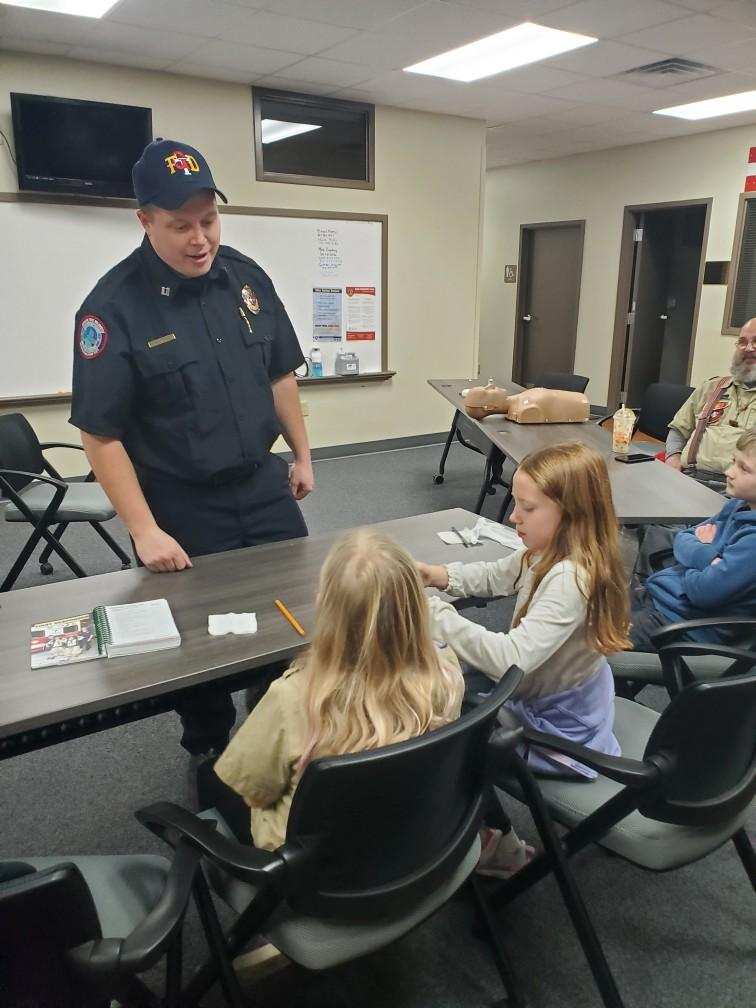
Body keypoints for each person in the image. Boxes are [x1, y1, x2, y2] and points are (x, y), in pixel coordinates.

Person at [70, 138, 314, 756]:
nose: (199, 238)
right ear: (145, 220)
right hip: (180, 501)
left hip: (262, 484)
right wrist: (143, 530)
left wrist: (303, 455)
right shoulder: (111, 307)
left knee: (294, 612)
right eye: (180, 225)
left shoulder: (245, 277)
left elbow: (279, 374)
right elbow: (101, 434)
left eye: (208, 220)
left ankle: (275, 727)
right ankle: (207, 745)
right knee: (197, 638)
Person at [213, 529, 465, 853]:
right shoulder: (444, 668)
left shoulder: (291, 698)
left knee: (214, 780)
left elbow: (253, 789)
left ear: (325, 607)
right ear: (416, 605)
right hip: (412, 840)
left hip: (314, 868)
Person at [417, 442, 631, 780]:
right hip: (542, 690)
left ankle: (495, 829)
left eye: (527, 508)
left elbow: (509, 661)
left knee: (440, 741)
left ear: (572, 512)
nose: (513, 516)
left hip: (557, 731)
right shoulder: (548, 549)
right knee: (448, 676)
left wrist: (432, 614)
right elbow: (495, 575)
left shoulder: (570, 579)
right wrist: (438, 575)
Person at [628, 428, 756, 653]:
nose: (729, 472)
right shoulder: (736, 506)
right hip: (664, 598)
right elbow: (683, 538)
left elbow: (703, 592)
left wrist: (701, 550)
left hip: (684, 624)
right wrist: (709, 556)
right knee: (584, 610)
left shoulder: (752, 542)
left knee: (585, 646)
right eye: (733, 462)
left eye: (743, 468)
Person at [664, 320, 756, 475]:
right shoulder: (712, 387)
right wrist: (673, 458)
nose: (748, 348)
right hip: (690, 477)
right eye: (742, 342)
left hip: (742, 492)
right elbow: (679, 429)